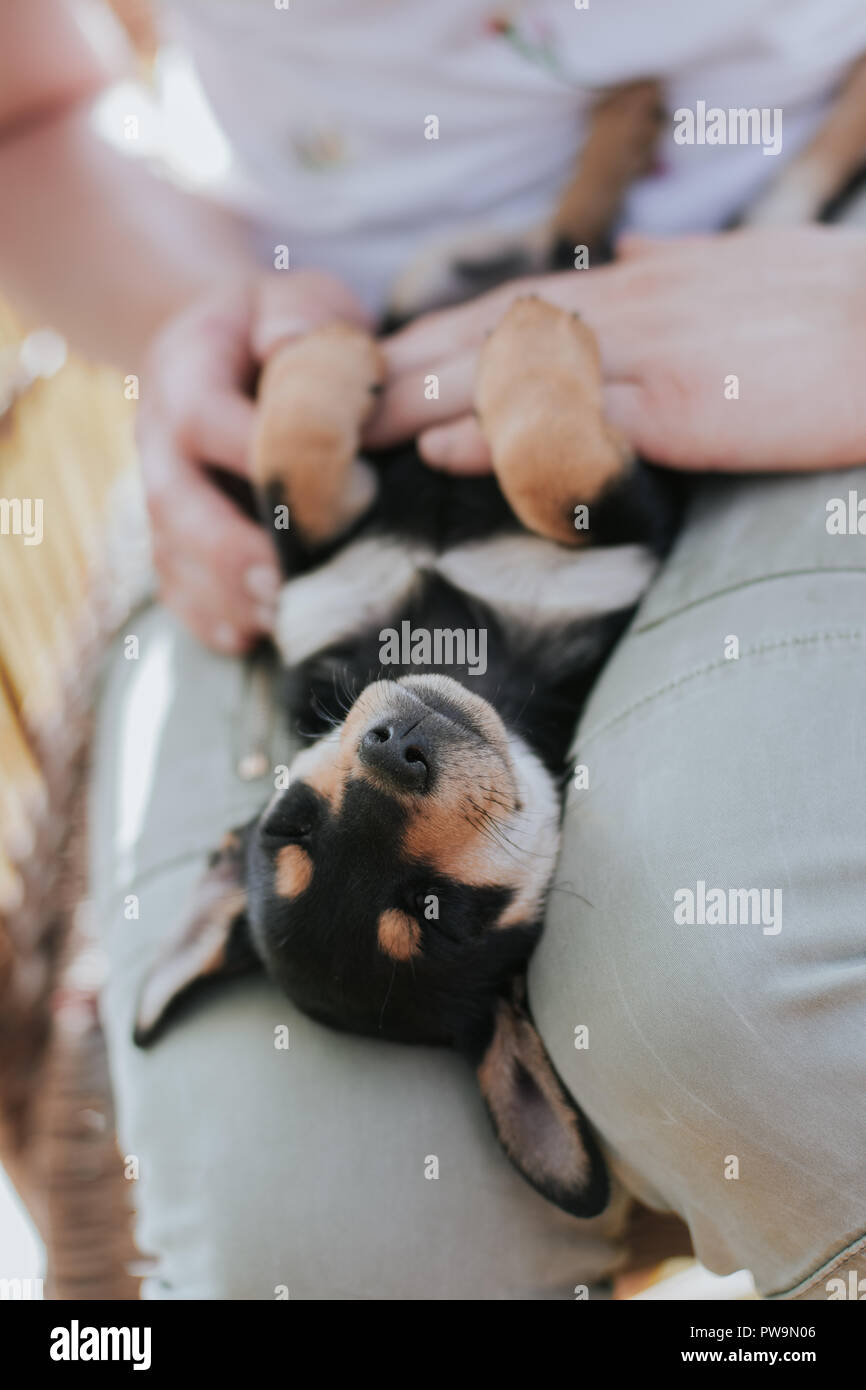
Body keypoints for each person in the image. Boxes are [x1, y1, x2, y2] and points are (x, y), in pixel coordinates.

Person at [2, 0, 865, 1298]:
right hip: (346, 304)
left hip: (813, 284)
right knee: (304, 1248)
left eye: (306, 824)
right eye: (427, 896)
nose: (388, 764)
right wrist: (214, 332)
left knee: (735, 999)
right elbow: (25, 109)